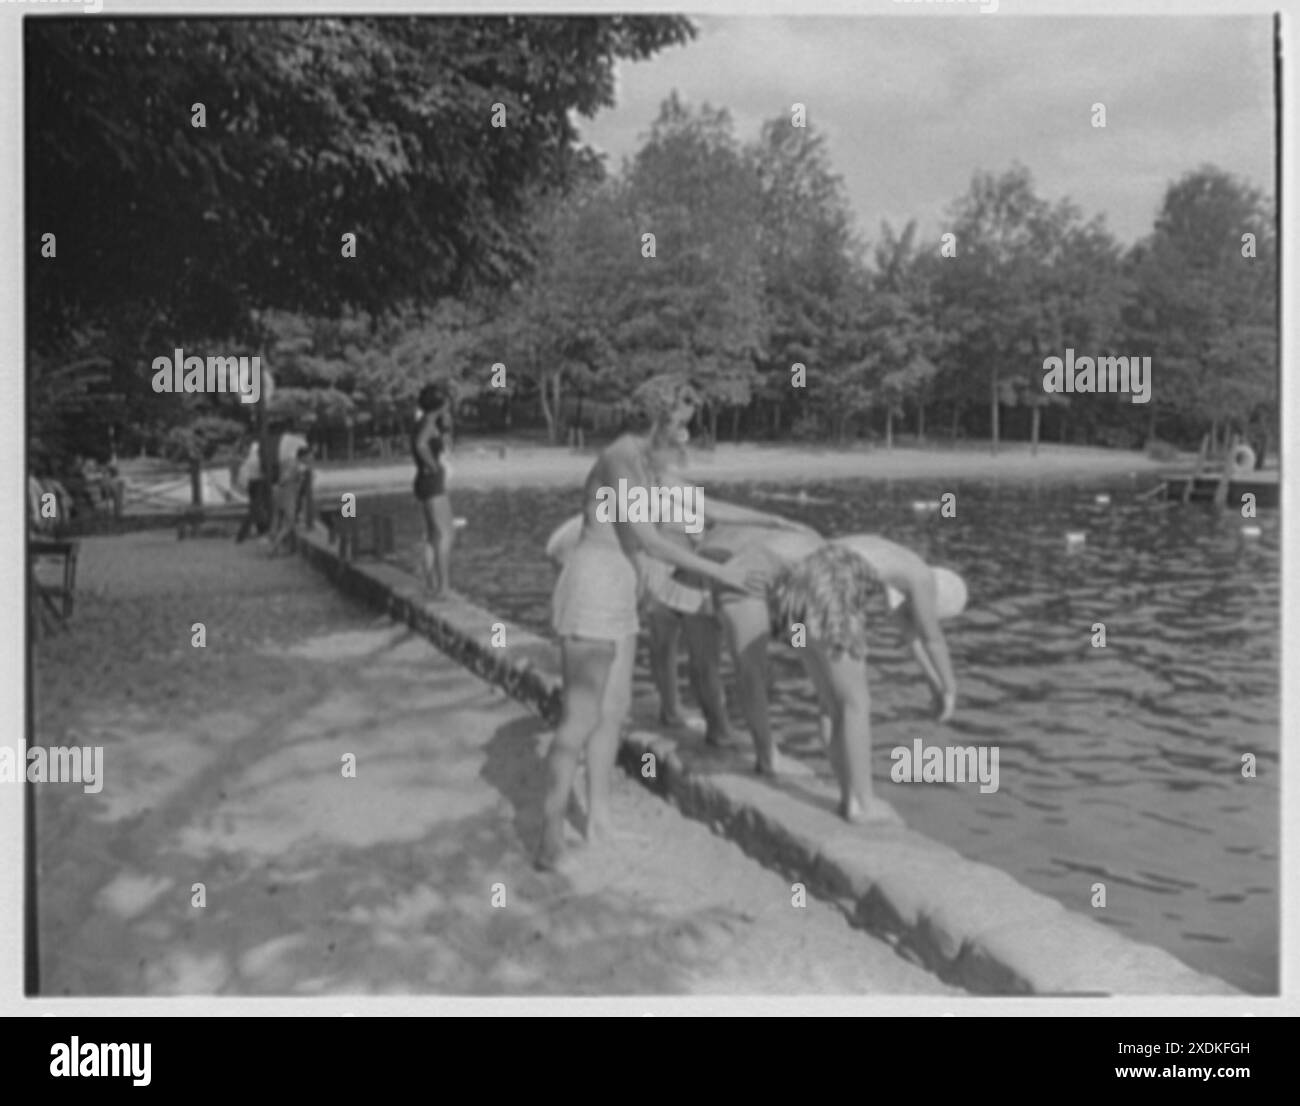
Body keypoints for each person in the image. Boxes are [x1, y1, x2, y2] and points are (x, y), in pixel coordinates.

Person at [536, 377, 762, 872]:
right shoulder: (619, 456)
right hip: (593, 587)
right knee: (579, 718)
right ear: (656, 418)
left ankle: (599, 821)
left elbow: (666, 527)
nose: (685, 435)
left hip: (620, 590)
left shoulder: (645, 464)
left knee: (614, 714)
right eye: (680, 424)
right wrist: (723, 573)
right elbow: (646, 537)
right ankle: (550, 834)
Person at [768, 533, 964, 823]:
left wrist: (934, 685)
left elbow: (911, 637)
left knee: (830, 704)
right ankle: (862, 805)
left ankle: (848, 798)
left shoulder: (892, 558)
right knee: (856, 705)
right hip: (829, 590)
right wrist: (950, 688)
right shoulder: (921, 578)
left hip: (791, 598)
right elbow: (931, 638)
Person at [412, 383, 455, 597]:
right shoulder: (428, 424)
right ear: (440, 403)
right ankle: (443, 586)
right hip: (432, 482)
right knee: (445, 533)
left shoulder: (424, 422)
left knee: (432, 534)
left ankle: (430, 582)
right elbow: (421, 445)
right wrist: (433, 465)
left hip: (423, 481)